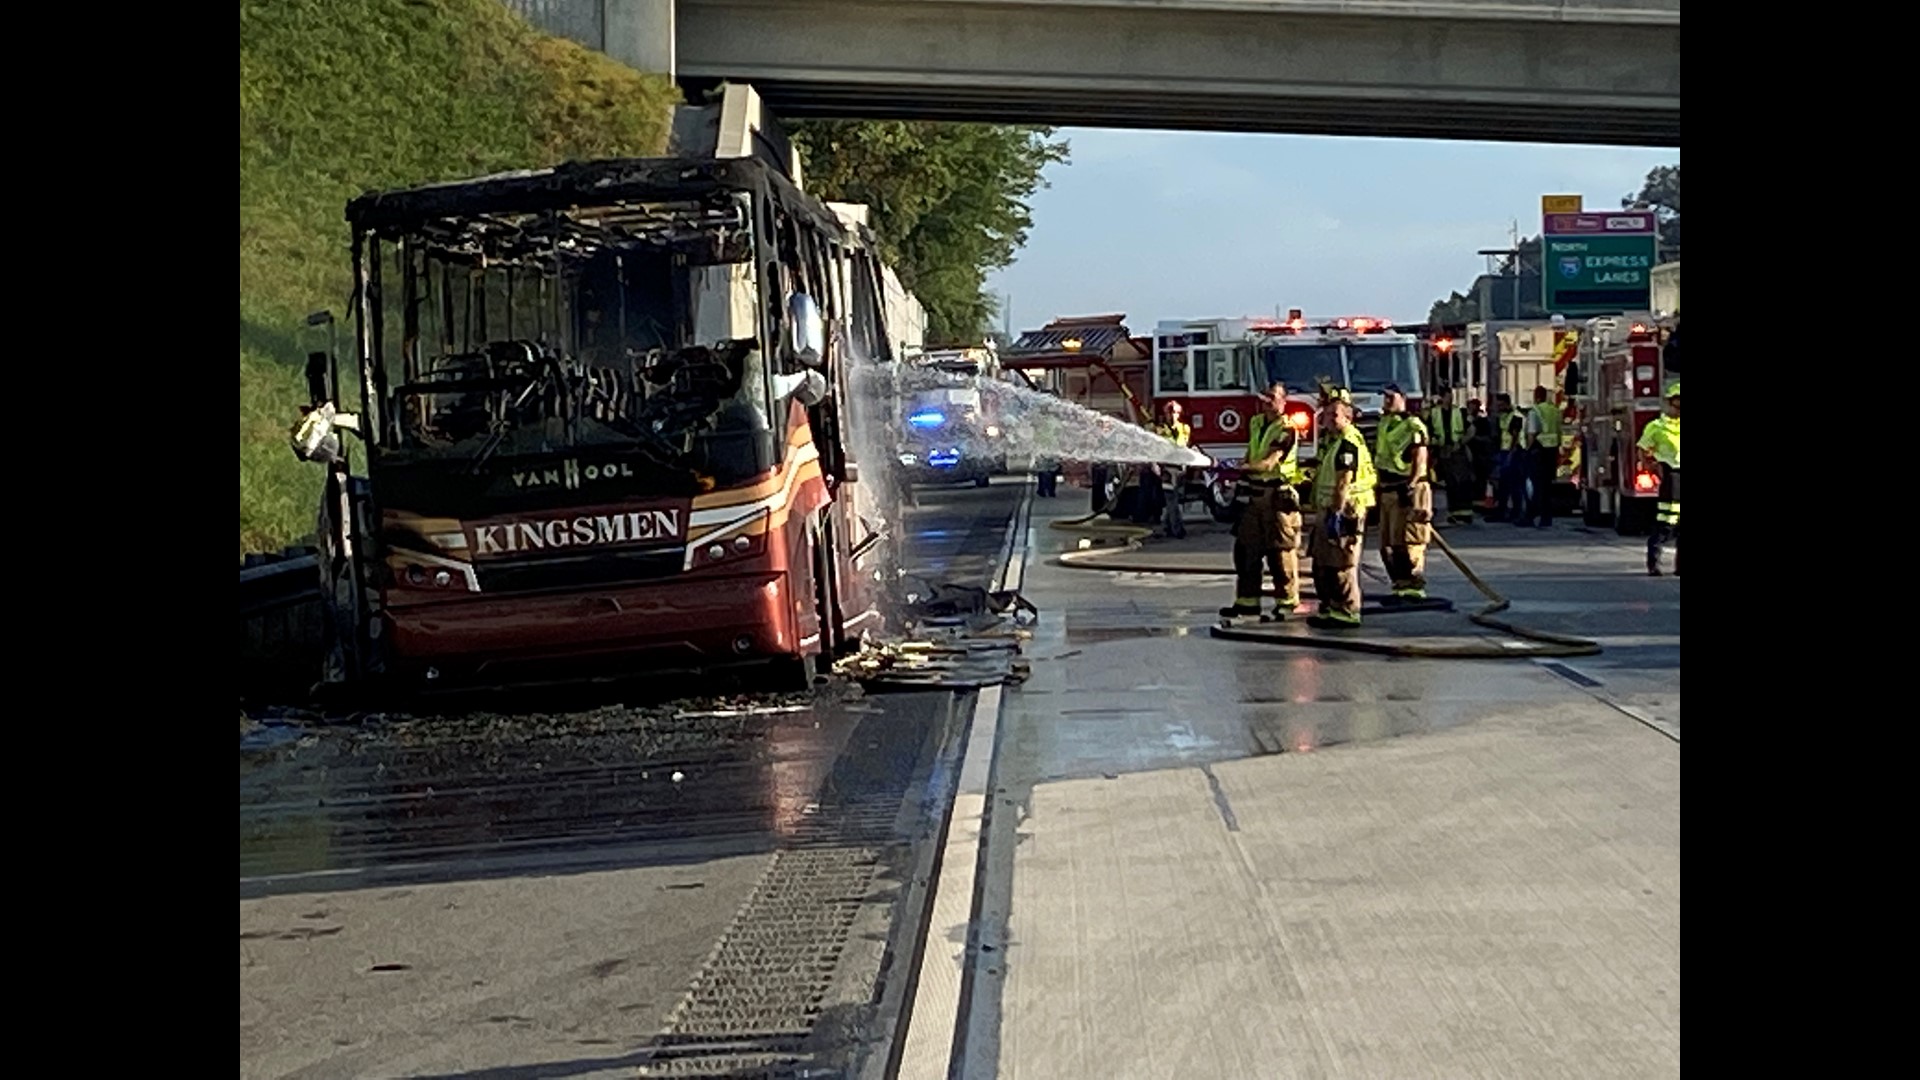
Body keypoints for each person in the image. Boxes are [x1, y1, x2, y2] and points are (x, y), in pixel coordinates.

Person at [1219, 382, 1303, 621]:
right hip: (1254, 496)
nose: (1268, 401)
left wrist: (1236, 468)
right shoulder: (1257, 423)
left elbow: (1268, 463)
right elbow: (1252, 452)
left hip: (1278, 497)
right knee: (1246, 550)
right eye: (1266, 397)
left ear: (1283, 401)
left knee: (1280, 553)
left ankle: (1286, 603)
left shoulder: (1287, 429)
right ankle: (1247, 603)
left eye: (1273, 397)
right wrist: (1239, 470)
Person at [1307, 388, 1376, 628]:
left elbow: (1343, 482)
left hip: (1346, 510)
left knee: (1342, 563)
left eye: (1334, 415)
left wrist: (1335, 514)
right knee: (1323, 561)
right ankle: (1330, 607)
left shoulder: (1347, 444)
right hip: (1330, 507)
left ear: (1348, 417)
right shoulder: (1335, 442)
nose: (1328, 419)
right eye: (1326, 414)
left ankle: (1347, 610)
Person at [1374, 384, 1433, 601]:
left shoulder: (1413, 425)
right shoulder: (1385, 423)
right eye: (1385, 397)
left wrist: (1412, 484)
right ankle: (1399, 582)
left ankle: (1413, 583)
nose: (1387, 401)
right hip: (1388, 488)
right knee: (1388, 543)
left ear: (1403, 398)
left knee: (1410, 539)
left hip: (1407, 488)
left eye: (1391, 397)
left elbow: (1419, 456)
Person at [1637, 381, 1680, 576]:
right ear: (1671, 402)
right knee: (1666, 522)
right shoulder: (1657, 426)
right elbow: (1643, 448)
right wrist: (1650, 466)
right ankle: (1654, 563)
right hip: (1671, 476)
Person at [1424, 384, 1475, 525]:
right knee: (1450, 482)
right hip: (1441, 450)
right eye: (1448, 396)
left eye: (1451, 396)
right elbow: (1427, 431)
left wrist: (1462, 442)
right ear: (1442, 397)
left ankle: (1464, 513)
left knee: (1462, 481)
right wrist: (1434, 443)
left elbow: (1471, 429)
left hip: (1457, 449)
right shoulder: (1433, 413)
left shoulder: (1459, 412)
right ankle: (1453, 513)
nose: (1450, 398)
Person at [1520, 384, 1561, 527]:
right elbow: (1559, 431)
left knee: (1535, 486)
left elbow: (1532, 433)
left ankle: (1530, 516)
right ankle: (1546, 518)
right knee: (1547, 487)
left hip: (1539, 451)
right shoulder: (1555, 411)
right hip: (1552, 451)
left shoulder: (1535, 411)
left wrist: (1527, 449)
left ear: (1536, 397)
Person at [1153, 400, 1192, 539]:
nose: (1173, 415)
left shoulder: (1185, 429)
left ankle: (1166, 526)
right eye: (1170, 412)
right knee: (1171, 499)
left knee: (1176, 498)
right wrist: (1155, 465)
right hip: (1167, 469)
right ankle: (1178, 529)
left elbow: (1187, 447)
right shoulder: (1160, 430)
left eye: (1175, 412)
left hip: (1180, 469)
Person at [1491, 392, 1526, 522]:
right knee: (1503, 485)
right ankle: (1502, 512)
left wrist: (1511, 454)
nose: (1498, 408)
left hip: (1514, 453)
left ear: (1507, 403)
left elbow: (1515, 437)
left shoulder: (1516, 416)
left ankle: (1516, 513)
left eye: (1500, 405)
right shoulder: (1504, 416)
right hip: (1505, 451)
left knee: (1514, 485)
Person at [1467, 398, 1495, 519]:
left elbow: (1488, 438)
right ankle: (1474, 499)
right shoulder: (1467, 421)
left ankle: (1482, 500)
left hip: (1481, 454)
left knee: (1481, 477)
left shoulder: (1483, 422)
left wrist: (1475, 438)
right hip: (1470, 453)